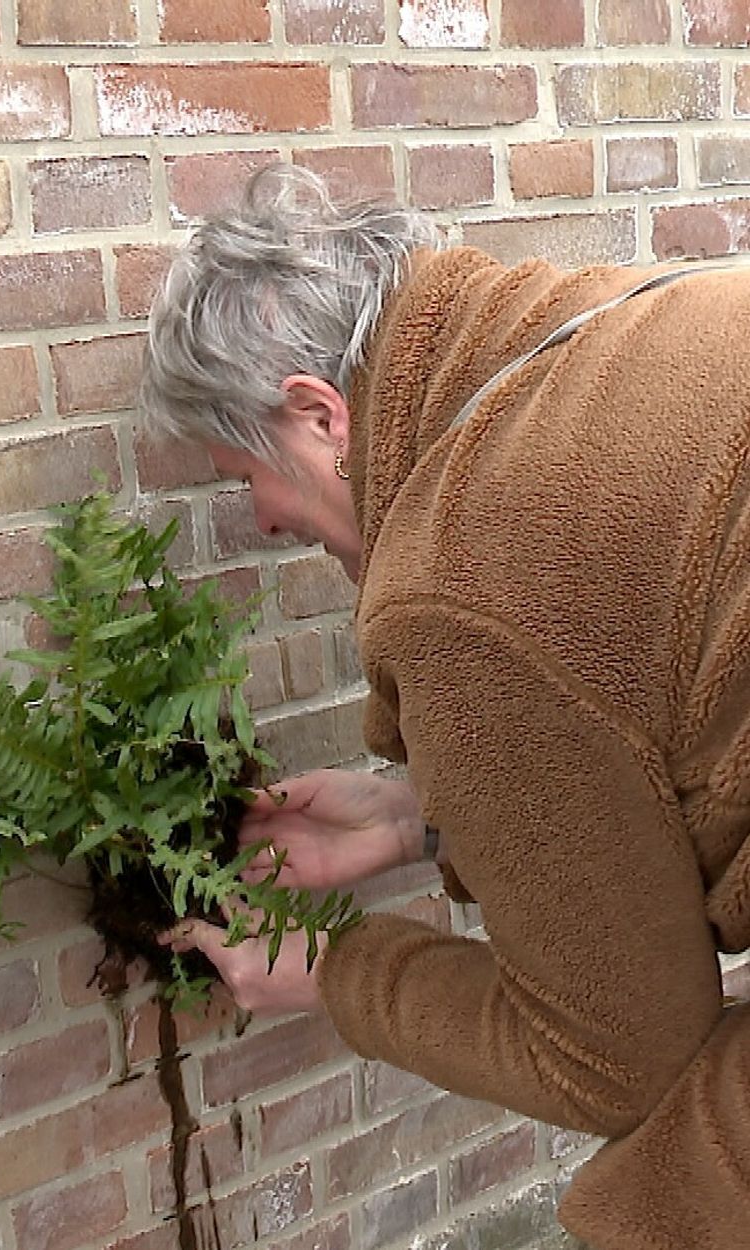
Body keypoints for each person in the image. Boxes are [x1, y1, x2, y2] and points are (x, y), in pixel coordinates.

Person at [139, 162, 750, 1249]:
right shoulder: (625, 323)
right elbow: (647, 682)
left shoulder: (465, 576)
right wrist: (418, 816)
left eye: (245, 475)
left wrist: (334, 969)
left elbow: (615, 1055)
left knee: (682, 1184)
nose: (264, 518)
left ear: (320, 416)